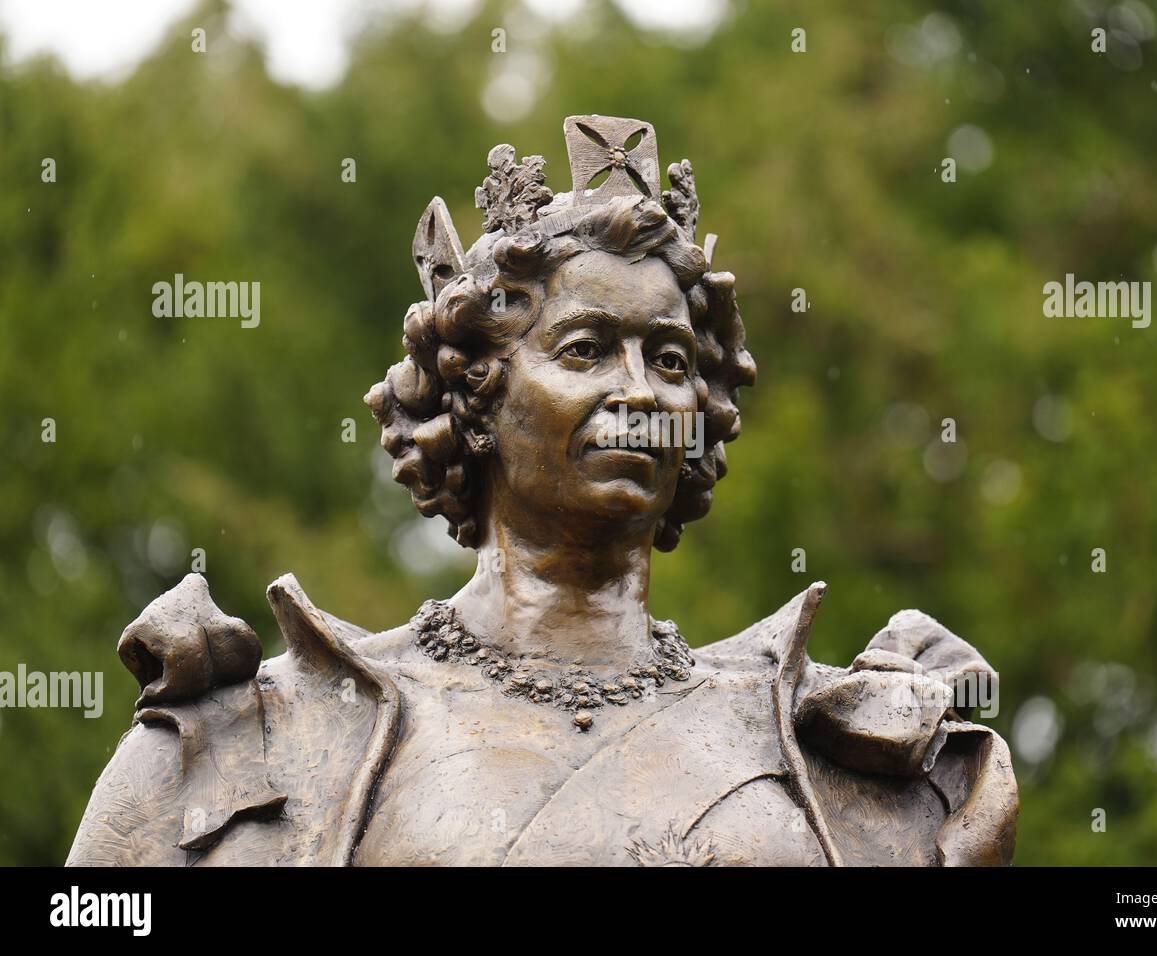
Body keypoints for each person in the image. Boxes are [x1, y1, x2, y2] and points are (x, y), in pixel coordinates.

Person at [67, 116, 1017, 866]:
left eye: (674, 359)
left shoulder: (833, 743)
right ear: (477, 402)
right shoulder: (265, 741)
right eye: (586, 350)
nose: (642, 393)